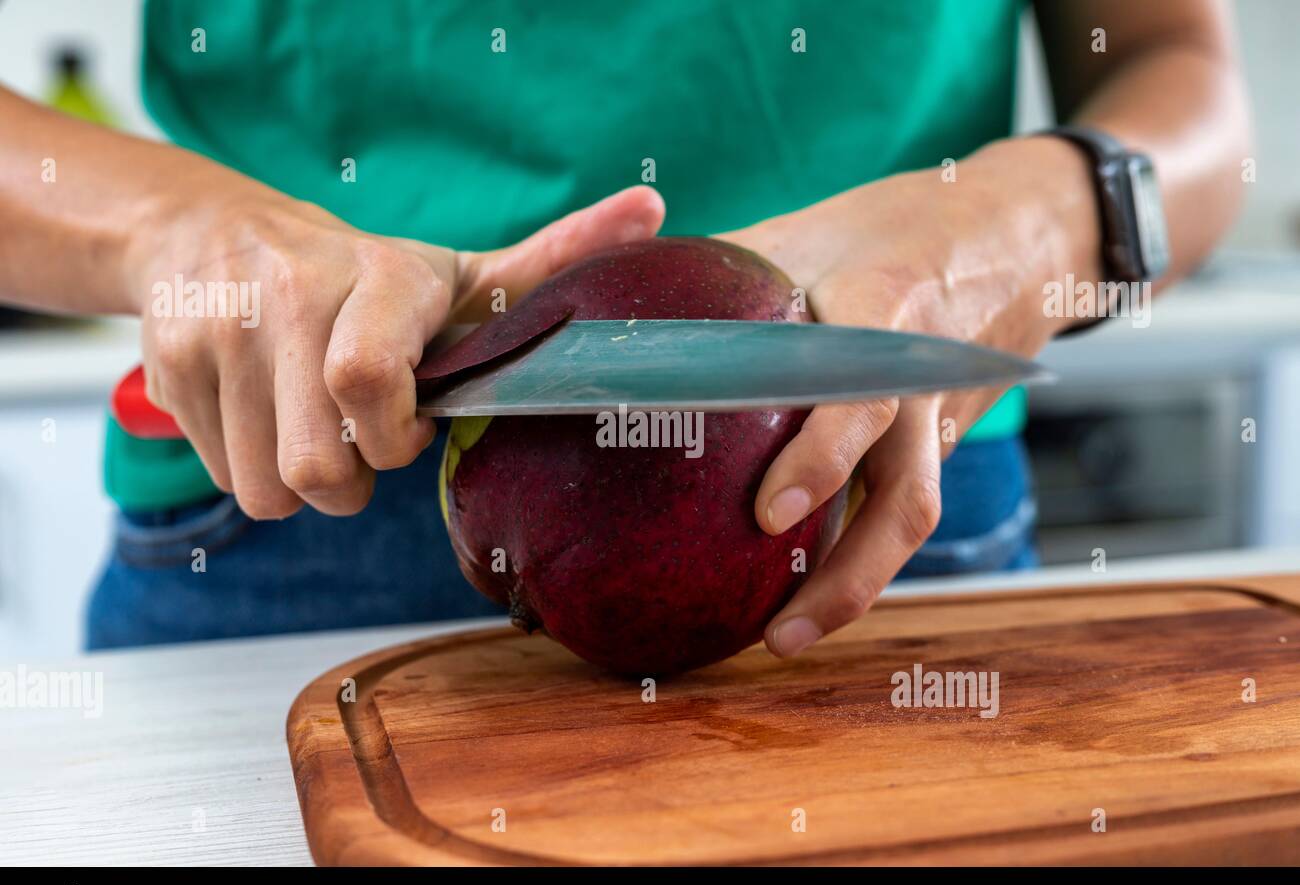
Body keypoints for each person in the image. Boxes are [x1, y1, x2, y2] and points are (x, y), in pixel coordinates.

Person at [0, 1, 1249, 657]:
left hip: (876, 502)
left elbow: (1181, 76)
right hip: (277, 504)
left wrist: (1018, 229)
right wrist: (174, 230)